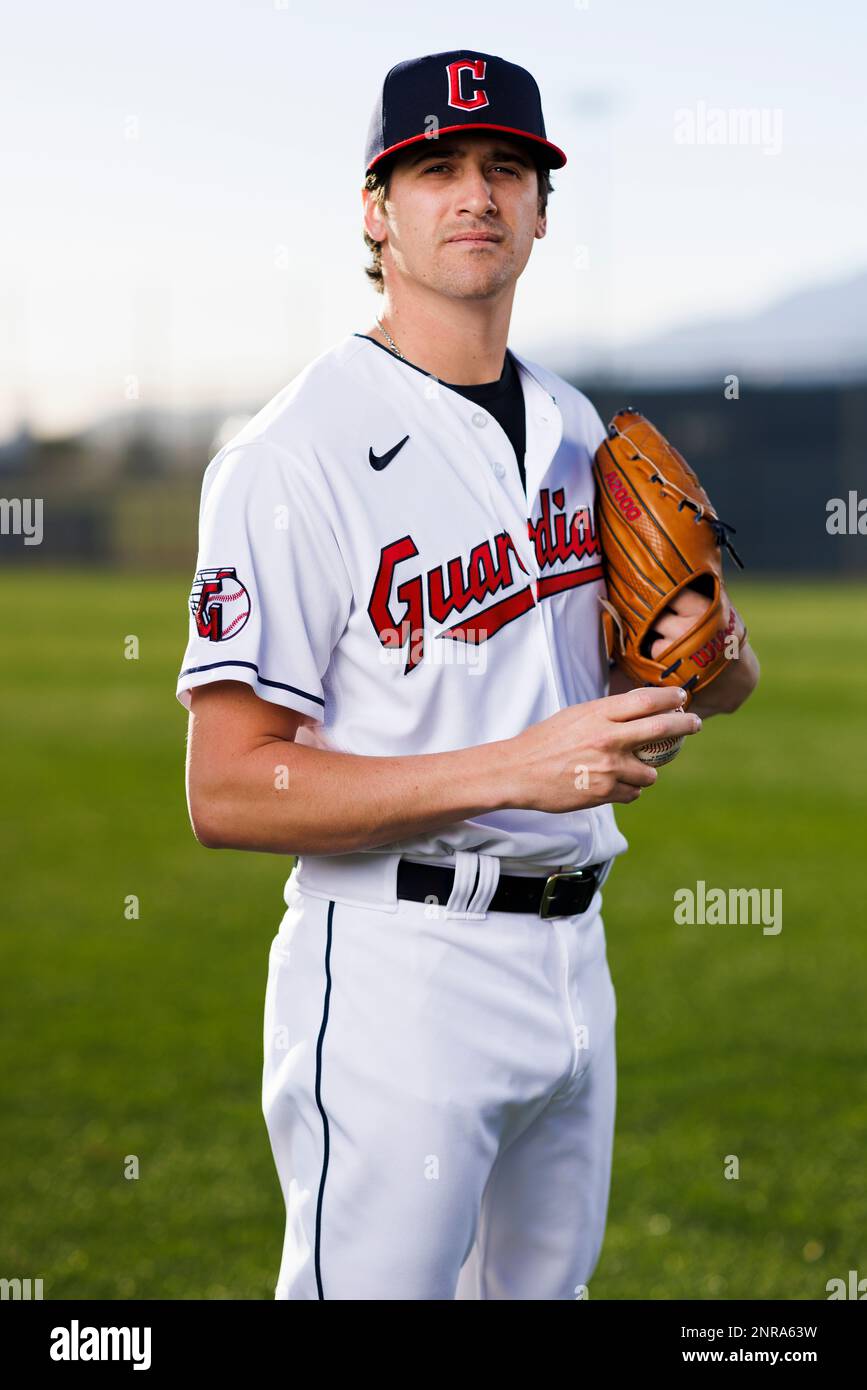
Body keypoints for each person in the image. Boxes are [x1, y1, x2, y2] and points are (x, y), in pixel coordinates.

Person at [176, 49, 759, 1301]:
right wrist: (517, 769)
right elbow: (226, 791)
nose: (475, 193)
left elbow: (693, 686)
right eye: (435, 167)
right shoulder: (293, 453)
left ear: (543, 210)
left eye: (506, 168)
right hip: (397, 967)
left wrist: (716, 655)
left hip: (572, 954)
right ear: (378, 211)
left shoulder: (579, 430)